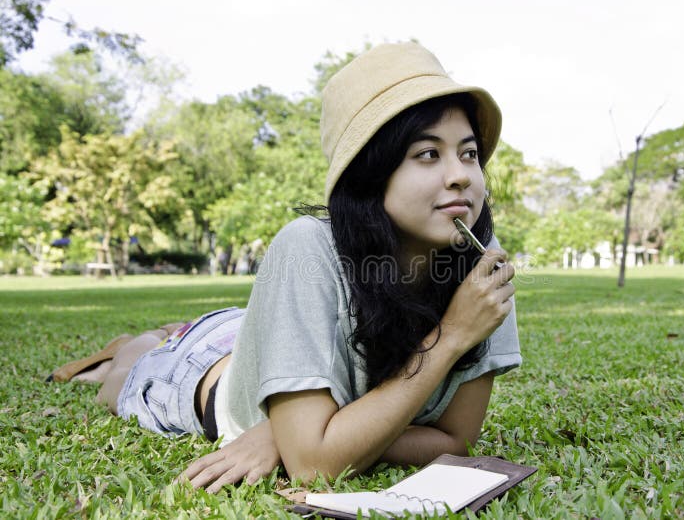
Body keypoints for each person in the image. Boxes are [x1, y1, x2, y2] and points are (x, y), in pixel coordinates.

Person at [51, 42, 521, 493]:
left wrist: (294, 434)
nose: (460, 175)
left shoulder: (480, 267)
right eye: (427, 154)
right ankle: (139, 344)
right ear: (371, 173)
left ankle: (183, 331)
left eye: (468, 153)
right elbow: (315, 467)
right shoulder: (306, 247)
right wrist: (451, 336)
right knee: (117, 383)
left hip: (257, 341)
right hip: (198, 374)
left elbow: (454, 440)